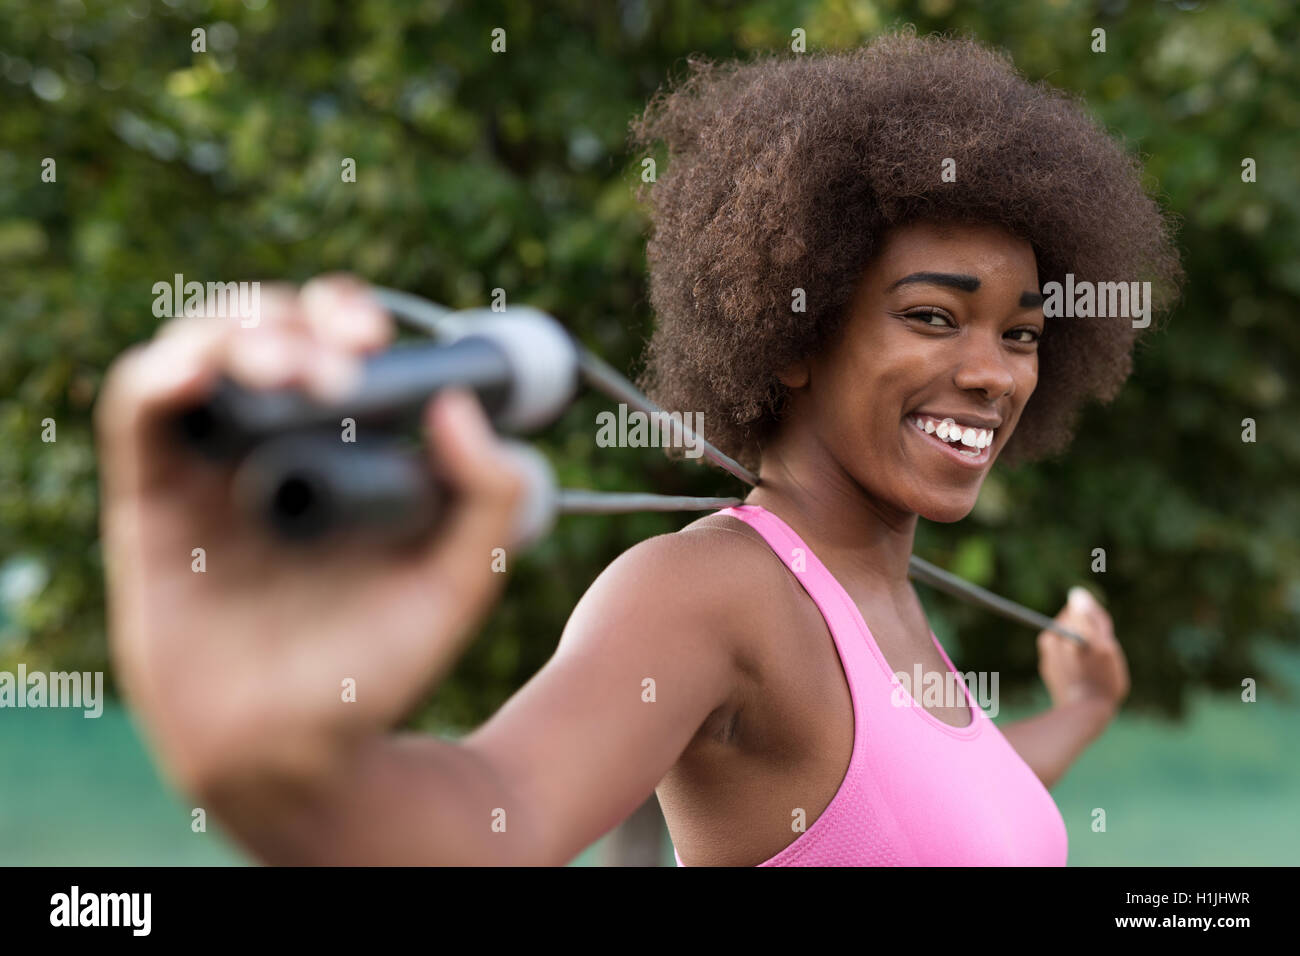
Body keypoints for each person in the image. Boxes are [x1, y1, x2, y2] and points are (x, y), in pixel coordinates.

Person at [98, 33, 1177, 866]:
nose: (994, 372)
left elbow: (947, 809)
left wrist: (1081, 705)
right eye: (933, 317)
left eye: (1022, 333)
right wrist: (283, 780)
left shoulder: (888, 602)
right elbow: (501, 810)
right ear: (797, 334)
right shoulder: (713, 591)